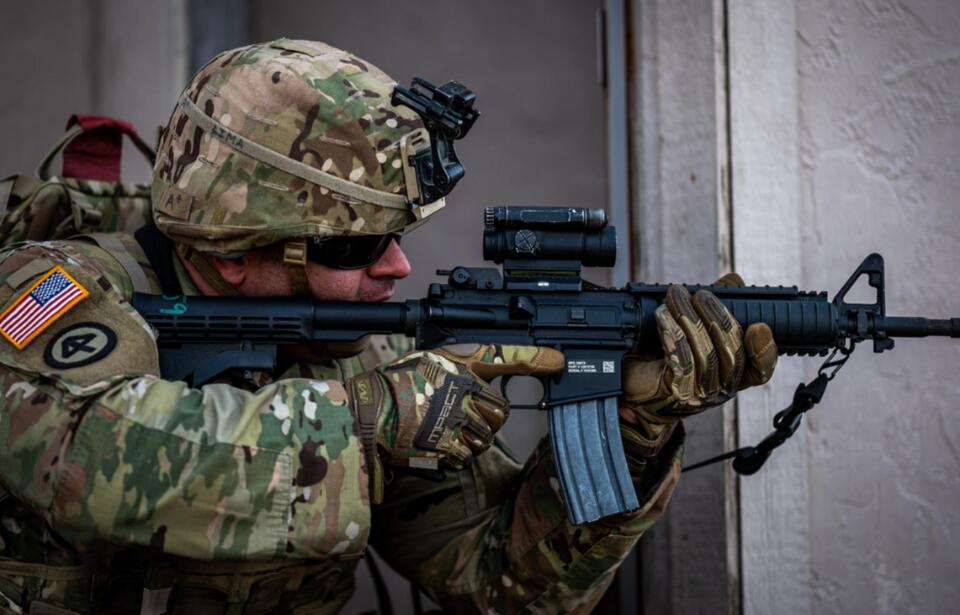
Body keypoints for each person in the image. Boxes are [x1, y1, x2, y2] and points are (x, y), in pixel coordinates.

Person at [0, 39, 777, 614]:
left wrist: (636, 424)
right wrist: (370, 419)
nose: (398, 268)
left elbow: (502, 580)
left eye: (397, 234)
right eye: (355, 245)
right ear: (233, 254)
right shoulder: (53, 290)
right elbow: (85, 451)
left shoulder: (365, 345)